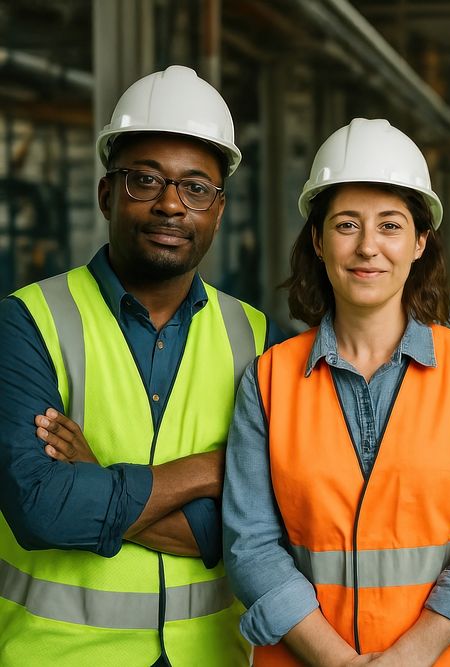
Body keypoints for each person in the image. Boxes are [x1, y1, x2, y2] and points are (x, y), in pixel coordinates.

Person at [0, 65, 283, 665]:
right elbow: (42, 510)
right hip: (62, 655)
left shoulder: (257, 337)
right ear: (107, 194)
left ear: (219, 208)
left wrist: (96, 479)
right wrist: (213, 471)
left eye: (195, 187)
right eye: (145, 181)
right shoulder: (26, 322)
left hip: (213, 656)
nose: (171, 205)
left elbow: (274, 518)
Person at [222, 118, 450, 666]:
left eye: (389, 225)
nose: (367, 248)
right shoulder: (267, 379)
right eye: (345, 225)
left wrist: (408, 657)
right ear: (317, 240)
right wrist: (337, 662)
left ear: (418, 242)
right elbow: (252, 547)